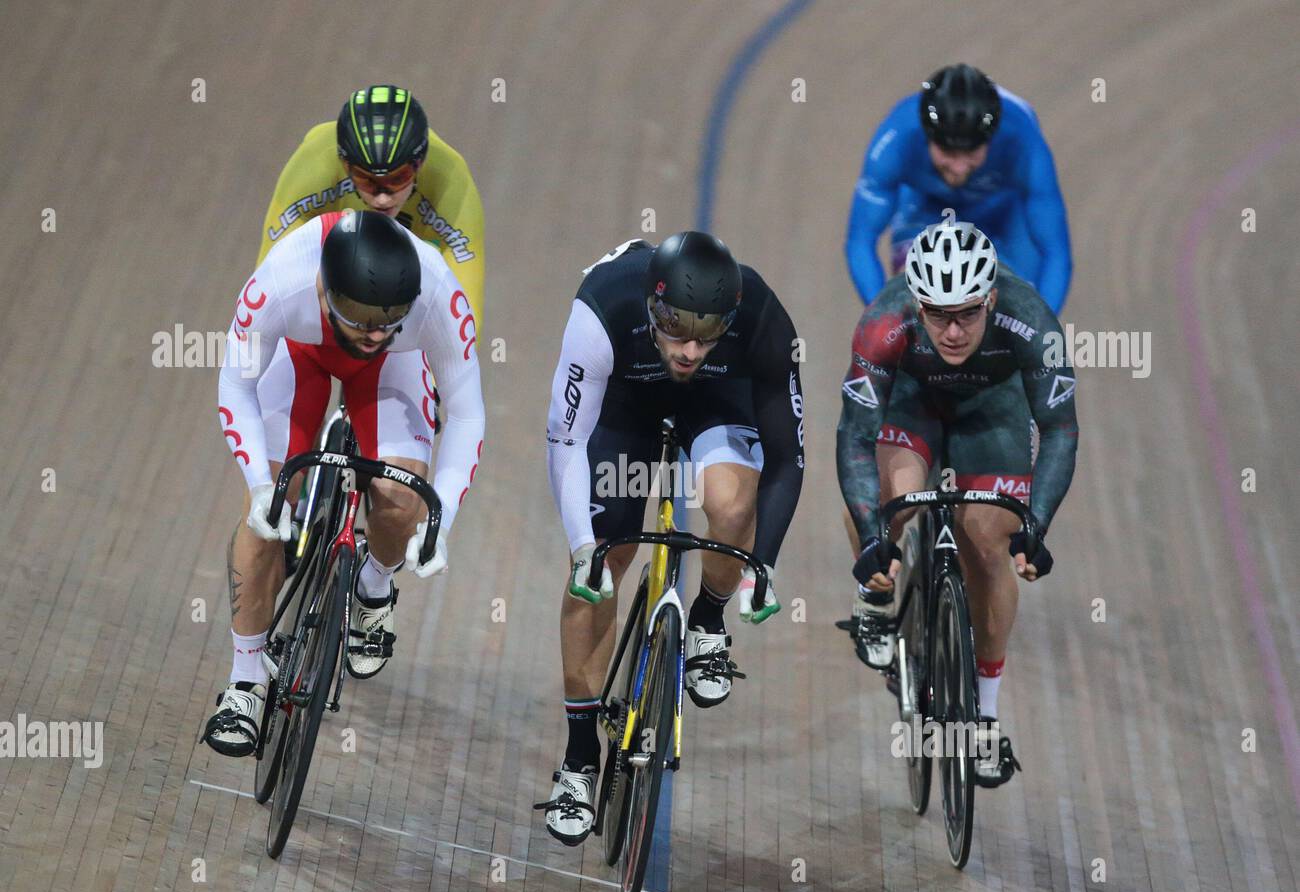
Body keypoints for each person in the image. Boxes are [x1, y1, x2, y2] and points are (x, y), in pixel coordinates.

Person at [537, 233, 805, 844]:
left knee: (732, 504)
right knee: (603, 561)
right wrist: (584, 548)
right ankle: (579, 761)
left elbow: (788, 459)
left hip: (715, 402)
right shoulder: (603, 306)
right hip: (624, 406)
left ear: (729, 321)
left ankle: (707, 621)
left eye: (706, 335)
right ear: (651, 307)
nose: (688, 349)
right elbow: (566, 441)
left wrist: (760, 567)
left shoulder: (762, 315)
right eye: (675, 331)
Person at [203, 210, 485, 756]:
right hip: (299, 352)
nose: (372, 332)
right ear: (322, 287)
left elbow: (469, 415)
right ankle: (244, 683)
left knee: (403, 499)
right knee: (267, 510)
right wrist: (260, 483)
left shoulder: (437, 298)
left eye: (388, 319)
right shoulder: (280, 281)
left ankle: (374, 585)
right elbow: (235, 383)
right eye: (357, 316)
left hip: (395, 369)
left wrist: (439, 521)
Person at [837, 219, 1077, 787]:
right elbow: (854, 437)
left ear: (991, 298)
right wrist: (874, 539)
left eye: (968, 313)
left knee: (988, 544)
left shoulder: (1032, 321)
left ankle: (986, 716)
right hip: (912, 403)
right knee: (894, 501)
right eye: (938, 315)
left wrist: (1035, 526)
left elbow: (1060, 431)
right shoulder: (883, 324)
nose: (952, 331)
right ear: (916, 304)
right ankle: (878, 598)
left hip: (992, 411)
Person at [844, 64, 1071, 315]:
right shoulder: (895, 142)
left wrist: (1038, 330)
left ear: (990, 140)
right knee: (918, 301)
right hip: (928, 206)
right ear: (927, 137)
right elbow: (861, 241)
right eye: (948, 153)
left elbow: (1056, 252)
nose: (959, 168)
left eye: (971, 153)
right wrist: (882, 317)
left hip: (1005, 213)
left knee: (1012, 310)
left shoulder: (1024, 145)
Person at [258, 85, 484, 324]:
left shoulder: (452, 181)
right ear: (345, 165)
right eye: (367, 180)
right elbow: (267, 291)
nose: (383, 198)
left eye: (398, 178)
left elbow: (466, 321)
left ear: (420, 163)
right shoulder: (313, 165)